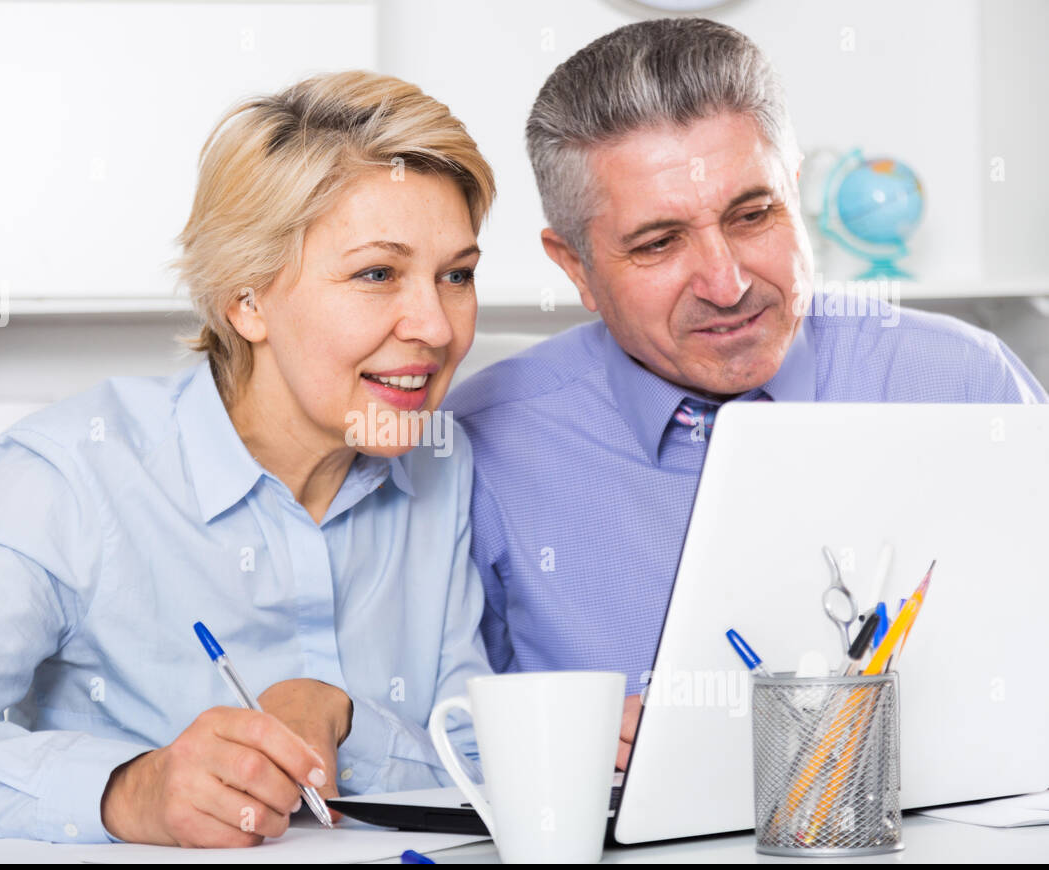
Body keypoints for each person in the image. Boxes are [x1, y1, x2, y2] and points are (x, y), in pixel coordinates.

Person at [0, 70, 497, 847]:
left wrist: (345, 719)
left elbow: (481, 767)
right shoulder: (72, 474)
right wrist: (126, 788)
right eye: (377, 273)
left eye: (456, 274)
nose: (435, 326)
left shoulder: (442, 465)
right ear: (246, 300)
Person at [443, 18, 1046, 770]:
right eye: (659, 242)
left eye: (753, 214)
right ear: (575, 267)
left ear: (793, 191)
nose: (726, 284)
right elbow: (434, 733)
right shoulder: (484, 441)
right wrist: (548, 745)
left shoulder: (963, 383)